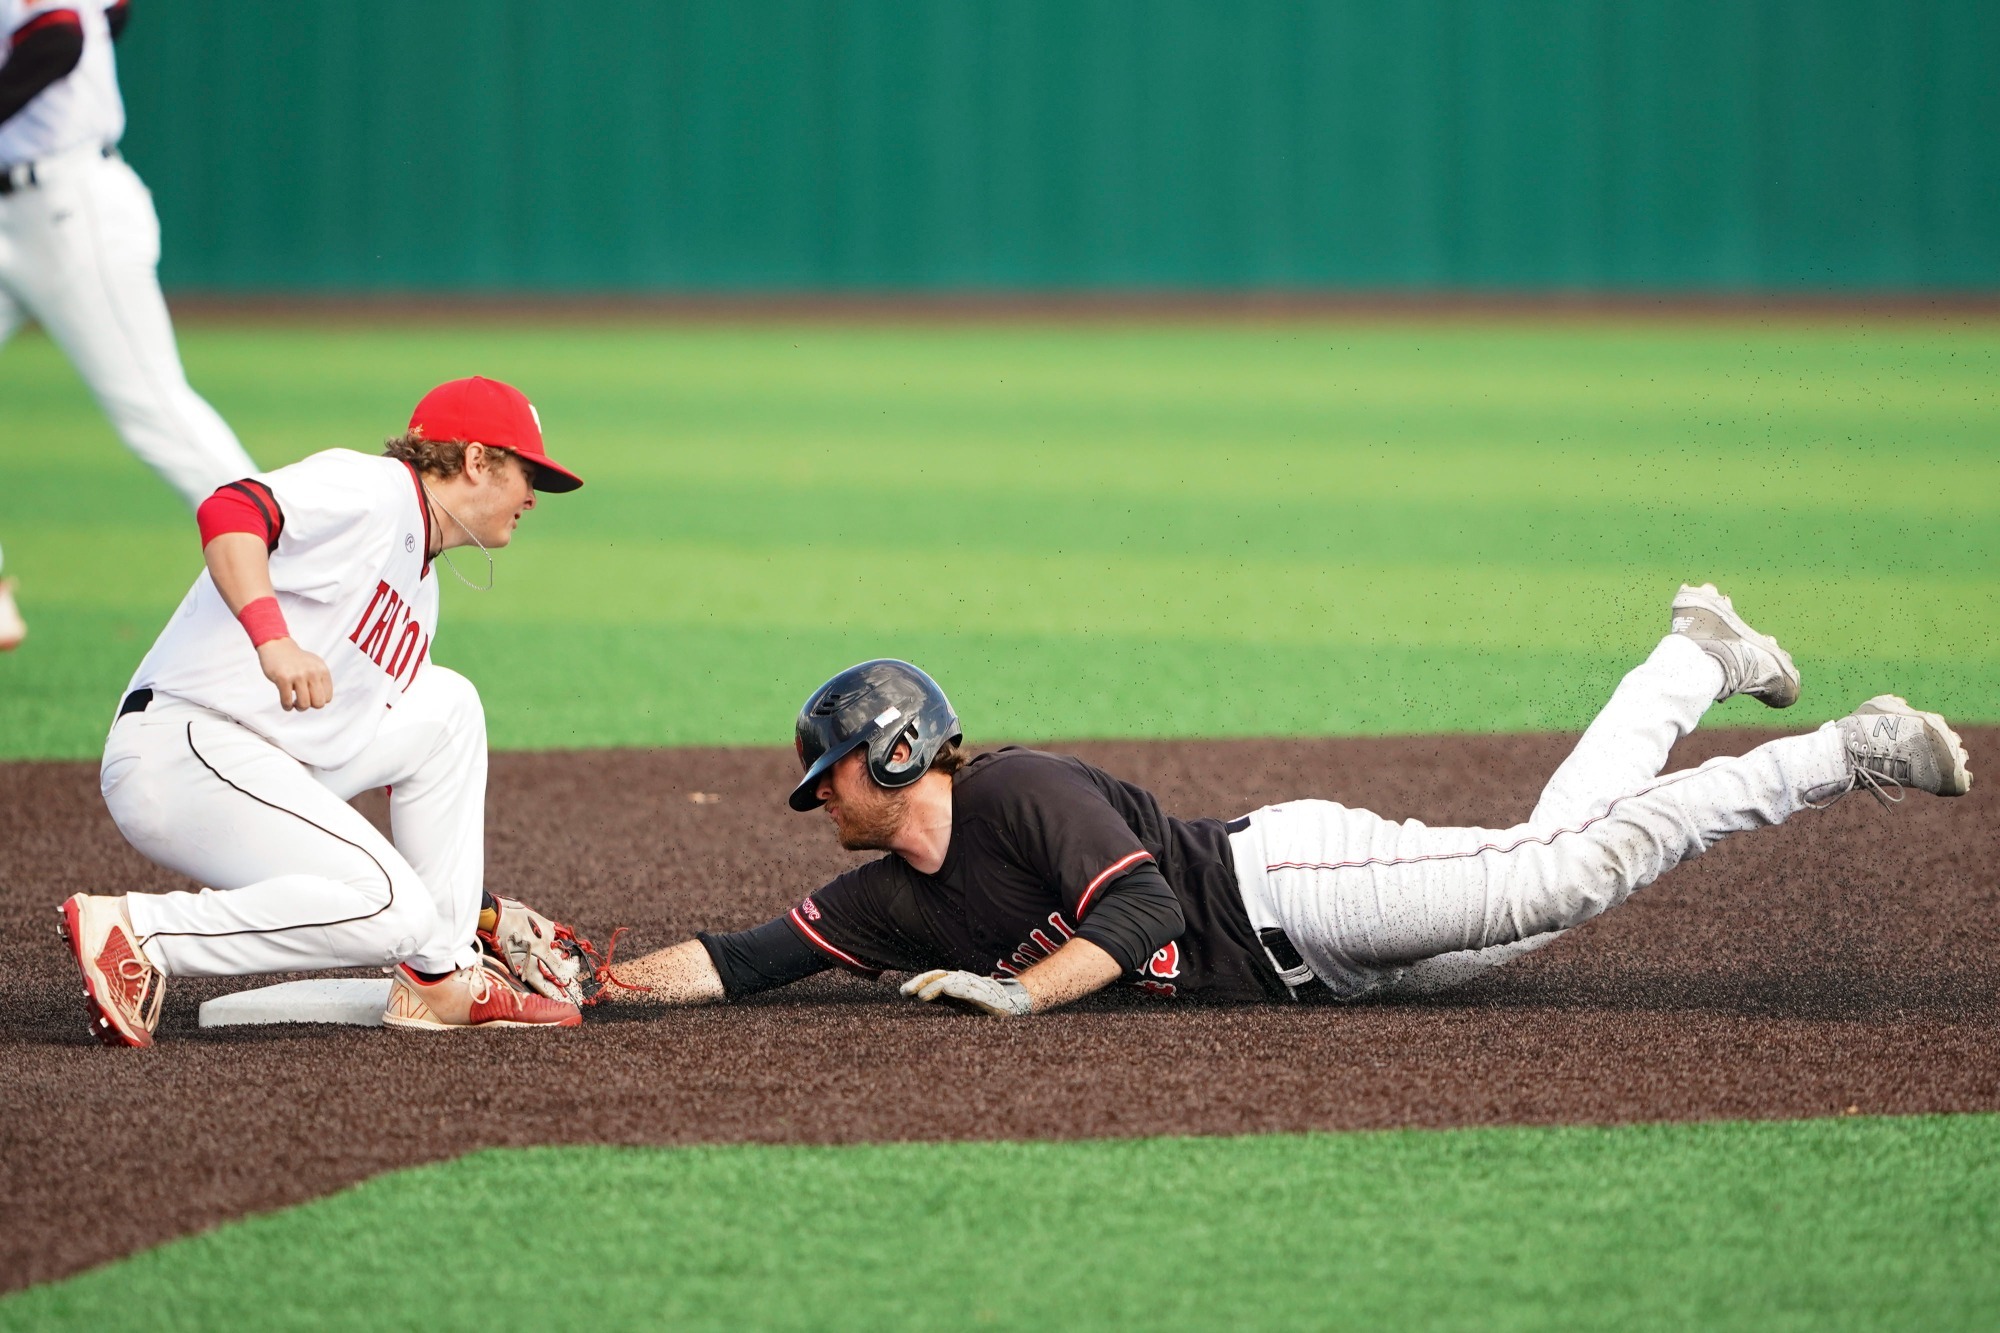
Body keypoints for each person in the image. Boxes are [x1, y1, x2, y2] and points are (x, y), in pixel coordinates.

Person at [601, 585, 1973, 1015]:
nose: (816, 800)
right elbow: (741, 959)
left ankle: (1836, 754)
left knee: (1562, 874)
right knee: (1546, 874)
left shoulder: (1019, 790)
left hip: (1291, 886)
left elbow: (1142, 911)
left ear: (897, 755)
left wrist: (1017, 995)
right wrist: (596, 984)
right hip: (1311, 965)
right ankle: (1692, 657)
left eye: (828, 773)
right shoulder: (888, 899)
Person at [58, 376, 595, 1046]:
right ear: (477, 460)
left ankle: (440, 975)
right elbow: (231, 509)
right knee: (394, 913)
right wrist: (273, 639)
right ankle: (141, 932)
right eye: (527, 475)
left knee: (449, 706)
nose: (532, 498)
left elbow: (375, 752)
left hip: (262, 758)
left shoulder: (421, 589)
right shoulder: (374, 490)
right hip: (183, 748)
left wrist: (477, 909)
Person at [2, 0, 258, 649]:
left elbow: (59, 36)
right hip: (20, 202)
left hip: (68, 206)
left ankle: (294, 568)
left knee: (154, 411)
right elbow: (112, 12)